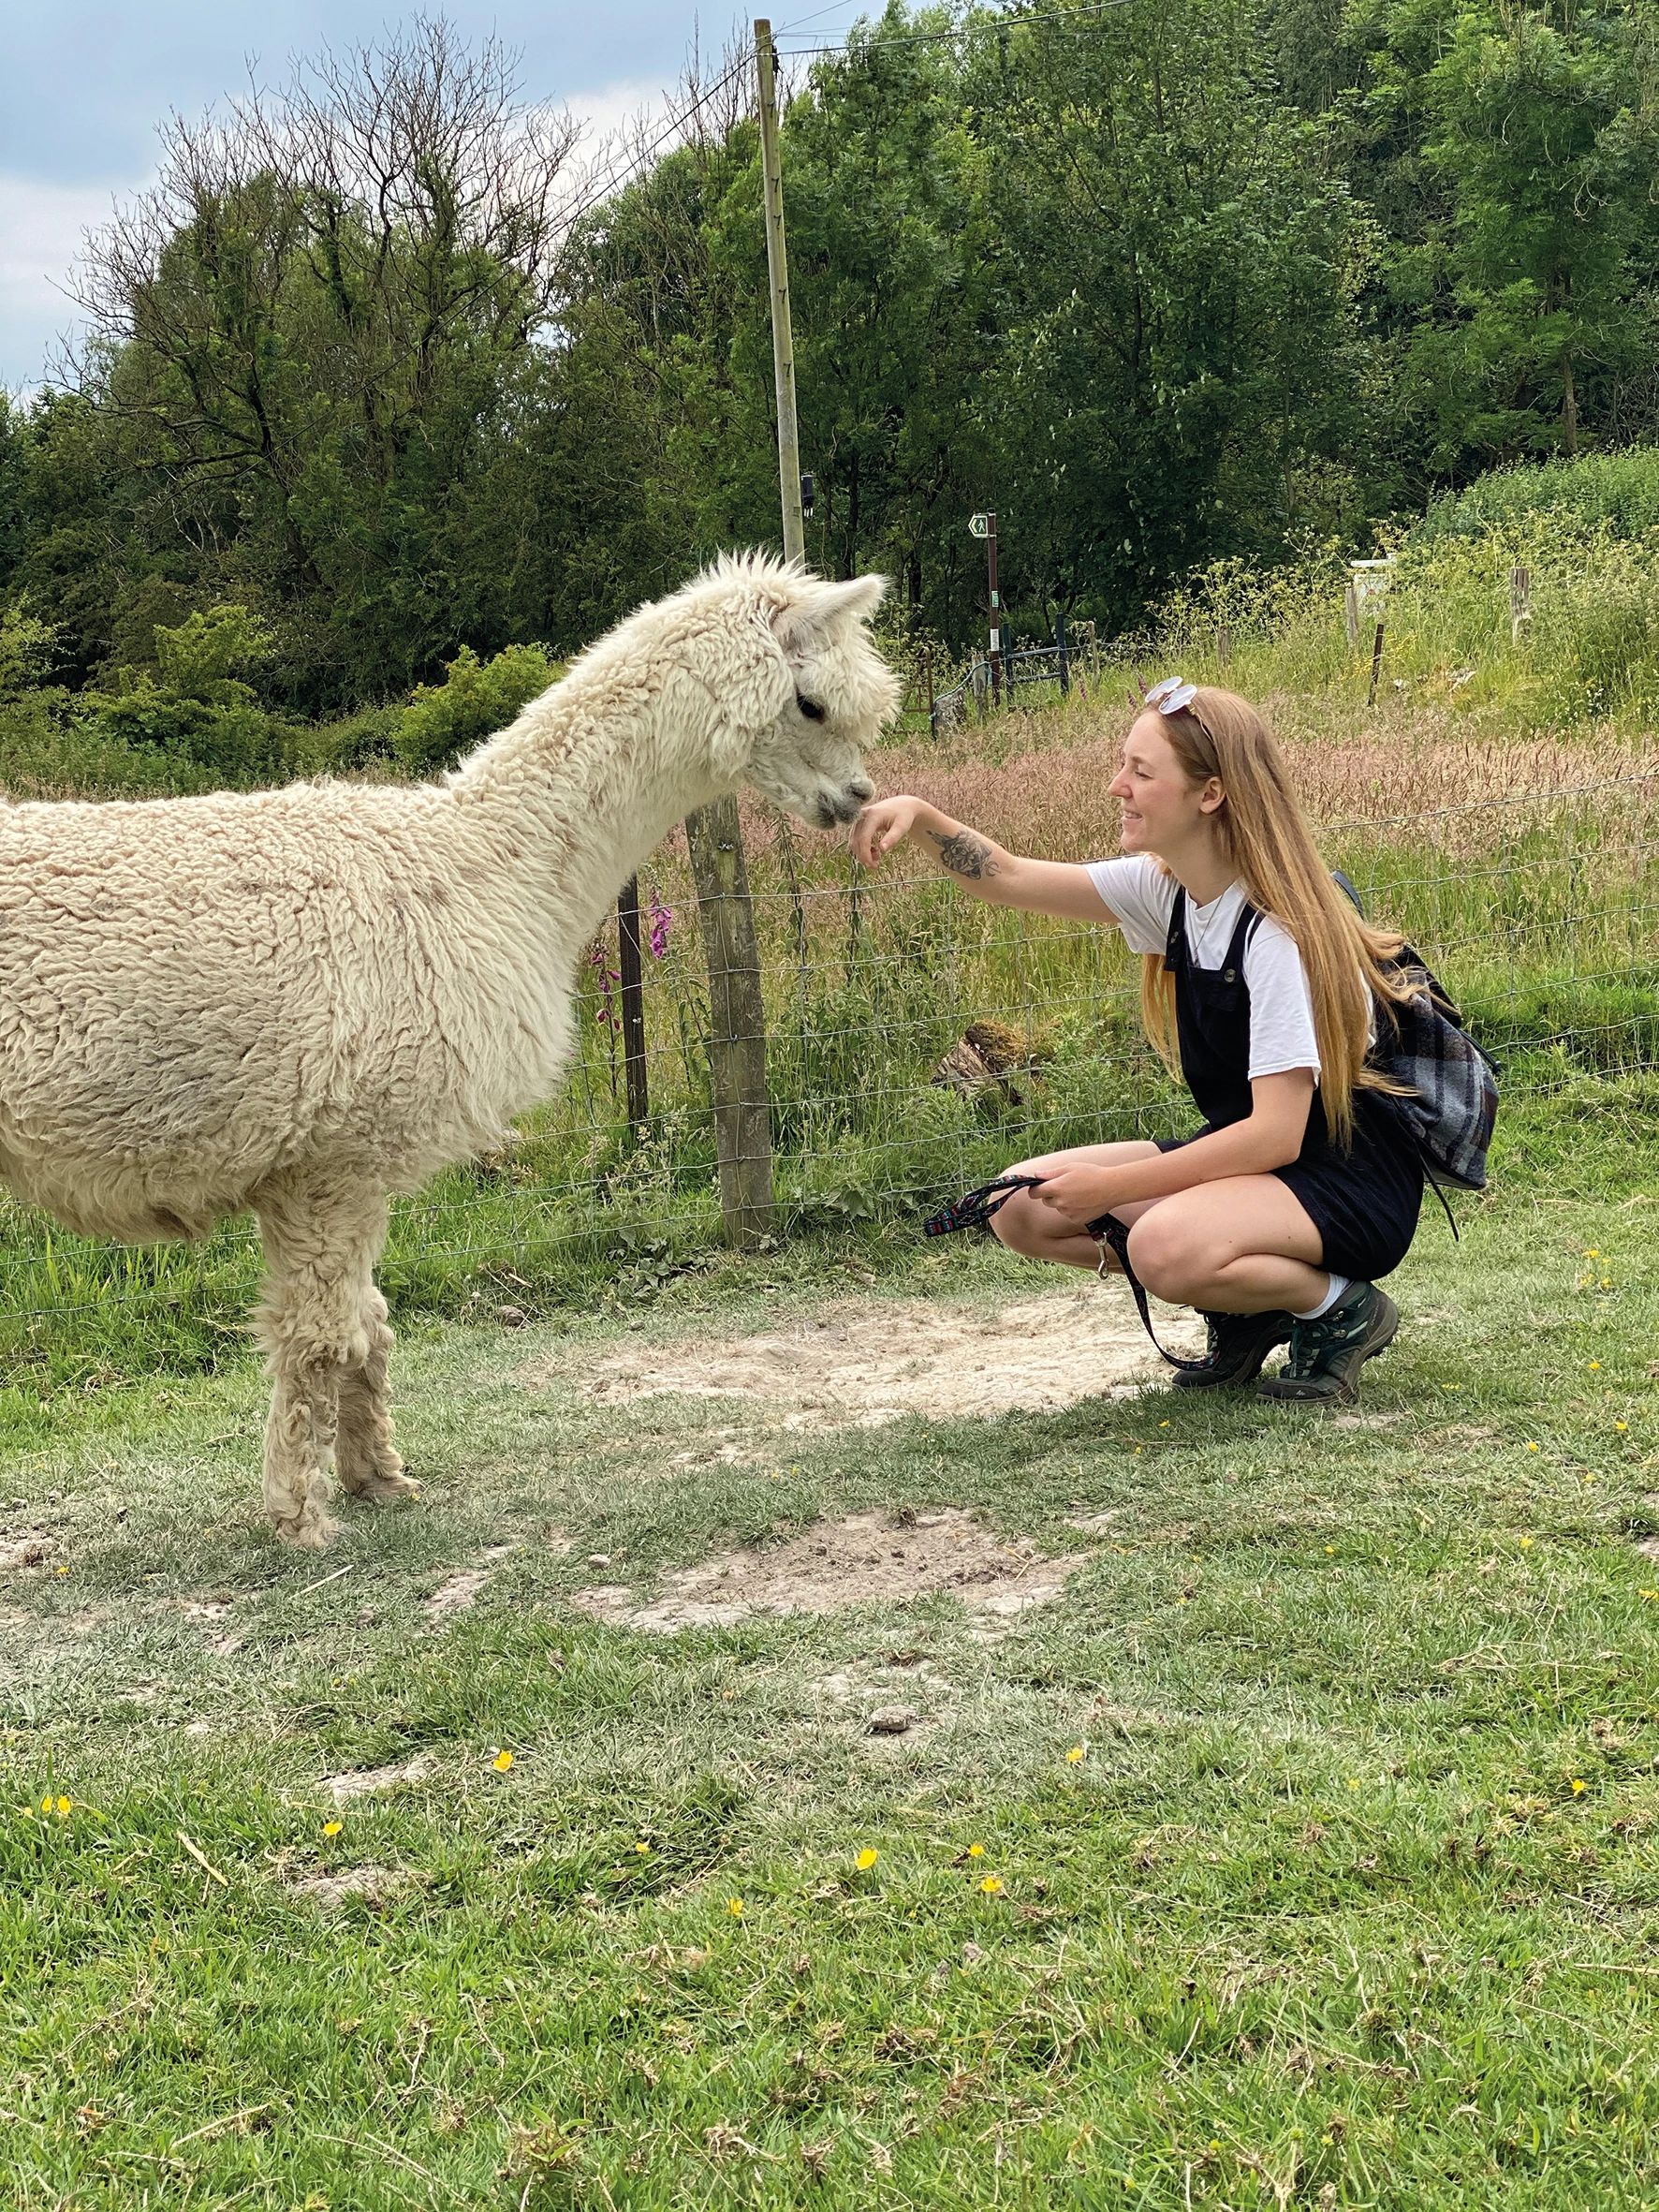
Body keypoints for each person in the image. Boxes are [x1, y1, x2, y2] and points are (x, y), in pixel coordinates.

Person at [848, 679, 1426, 1403]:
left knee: (1160, 1246)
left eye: (1140, 771)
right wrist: (922, 816)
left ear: (1210, 794)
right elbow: (1011, 877)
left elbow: (1276, 1135)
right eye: (1122, 764)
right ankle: (1251, 1310)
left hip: (1345, 1182)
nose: (1116, 786)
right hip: (1256, 1173)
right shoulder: (1173, 891)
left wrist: (1112, 1190)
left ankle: (1339, 1308)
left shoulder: (1279, 934)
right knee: (1018, 1205)